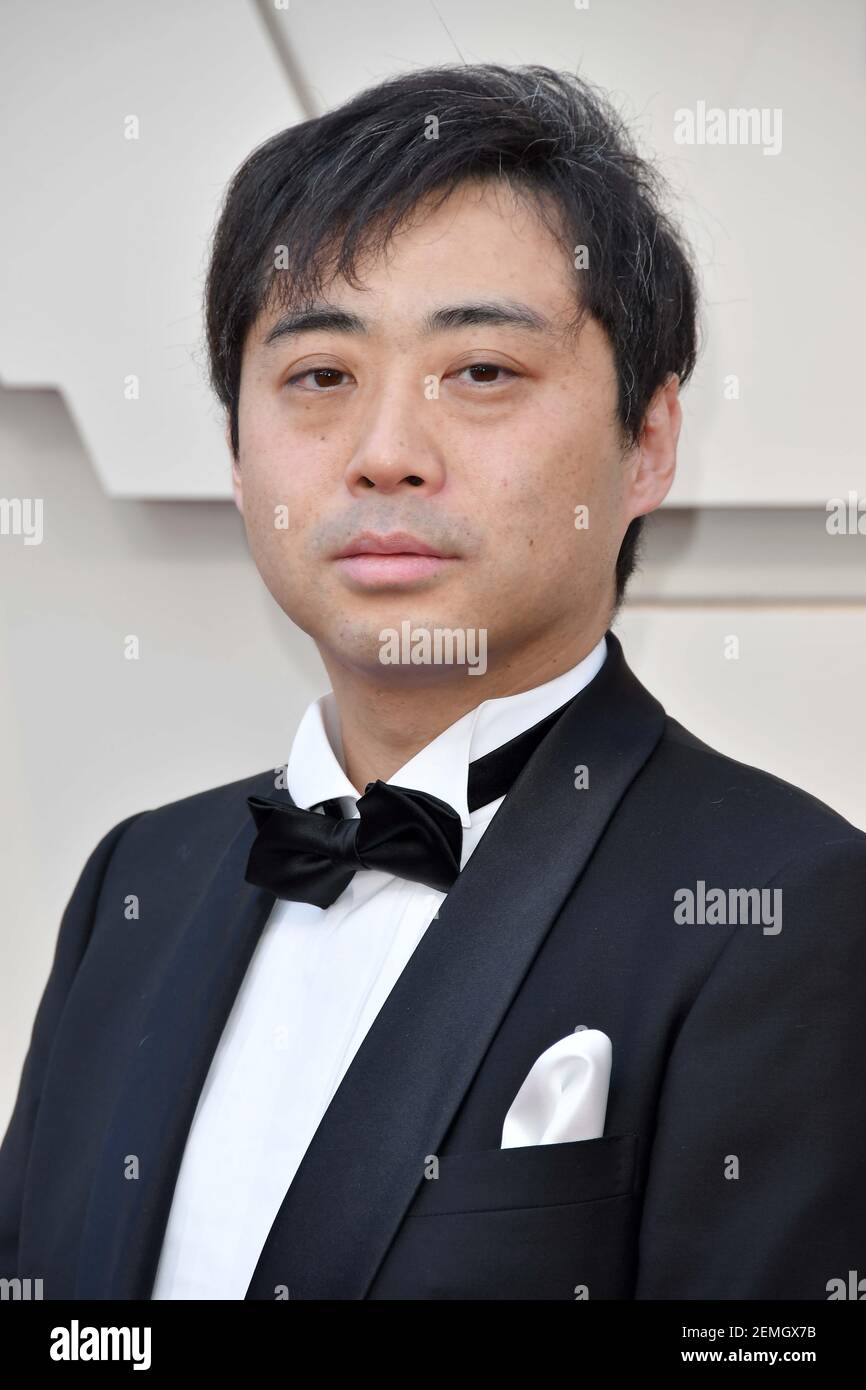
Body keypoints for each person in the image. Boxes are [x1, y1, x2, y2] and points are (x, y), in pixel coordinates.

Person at [2, 64, 864, 1301]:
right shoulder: (136, 880)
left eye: (480, 373)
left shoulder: (790, 907)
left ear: (648, 442)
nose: (387, 455)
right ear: (236, 456)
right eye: (318, 378)